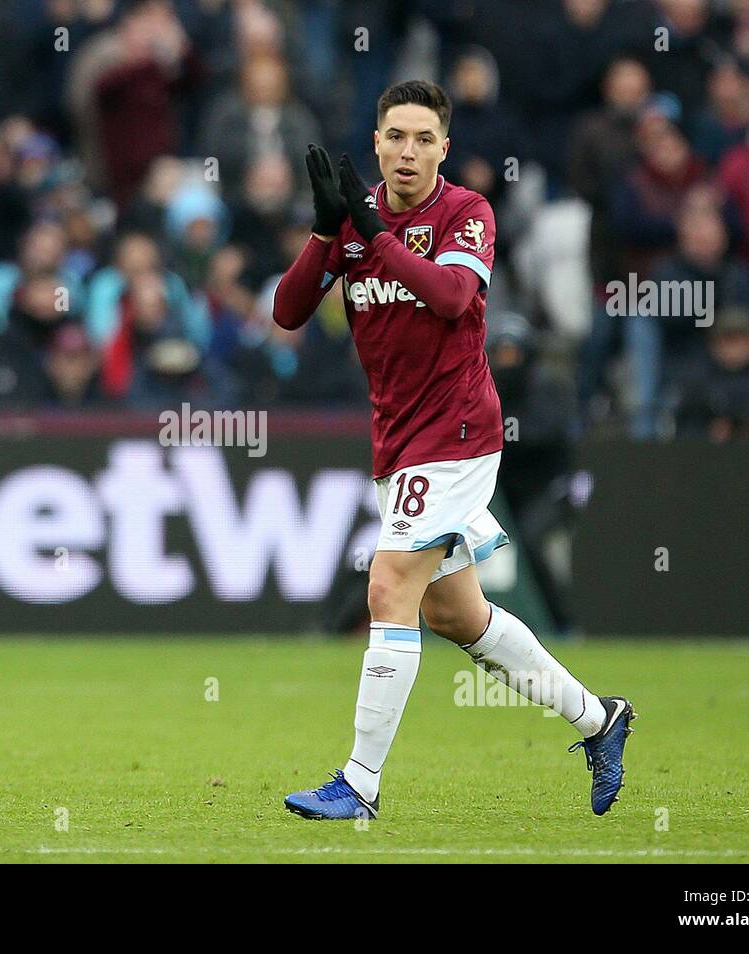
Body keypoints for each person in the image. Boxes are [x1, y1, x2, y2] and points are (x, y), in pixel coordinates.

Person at [272, 80, 635, 821]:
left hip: (458, 433)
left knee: (386, 587)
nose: (408, 151)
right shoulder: (354, 221)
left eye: (423, 139)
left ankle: (360, 784)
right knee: (456, 617)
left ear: (444, 147)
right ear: (376, 142)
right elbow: (286, 311)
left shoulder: (466, 213)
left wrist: (371, 236)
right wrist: (322, 235)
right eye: (395, 136)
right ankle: (600, 721)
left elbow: (451, 300)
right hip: (397, 442)